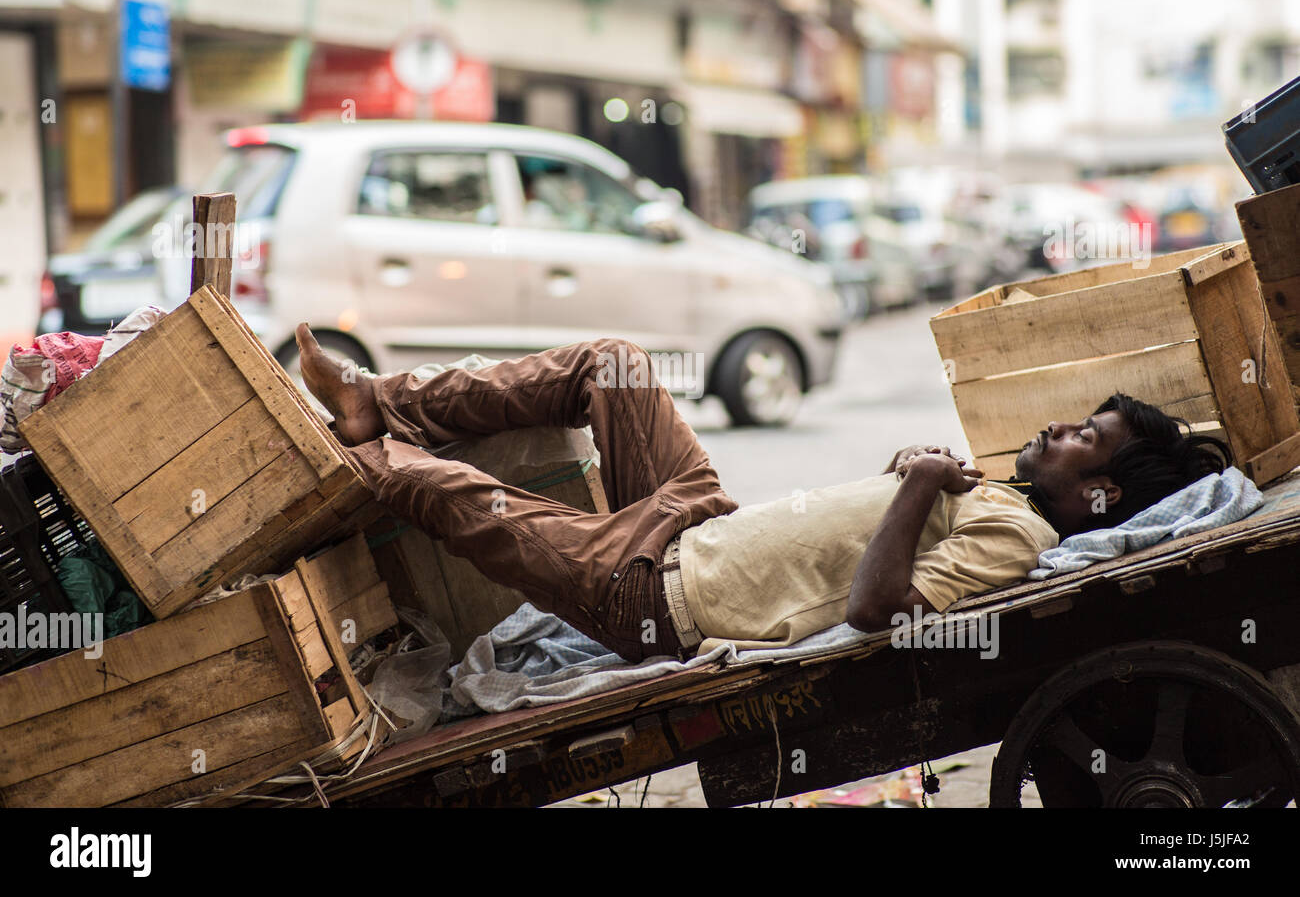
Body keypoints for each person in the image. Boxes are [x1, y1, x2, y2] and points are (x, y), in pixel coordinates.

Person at [295, 327, 1229, 663]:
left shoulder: (1018, 544)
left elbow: (878, 611)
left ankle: (346, 450)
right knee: (612, 365)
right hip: (700, 521)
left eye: (1085, 440)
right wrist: (918, 481)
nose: (1061, 431)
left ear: (1101, 498)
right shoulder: (993, 501)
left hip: (652, 595)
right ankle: (374, 399)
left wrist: (916, 488)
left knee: (458, 494)